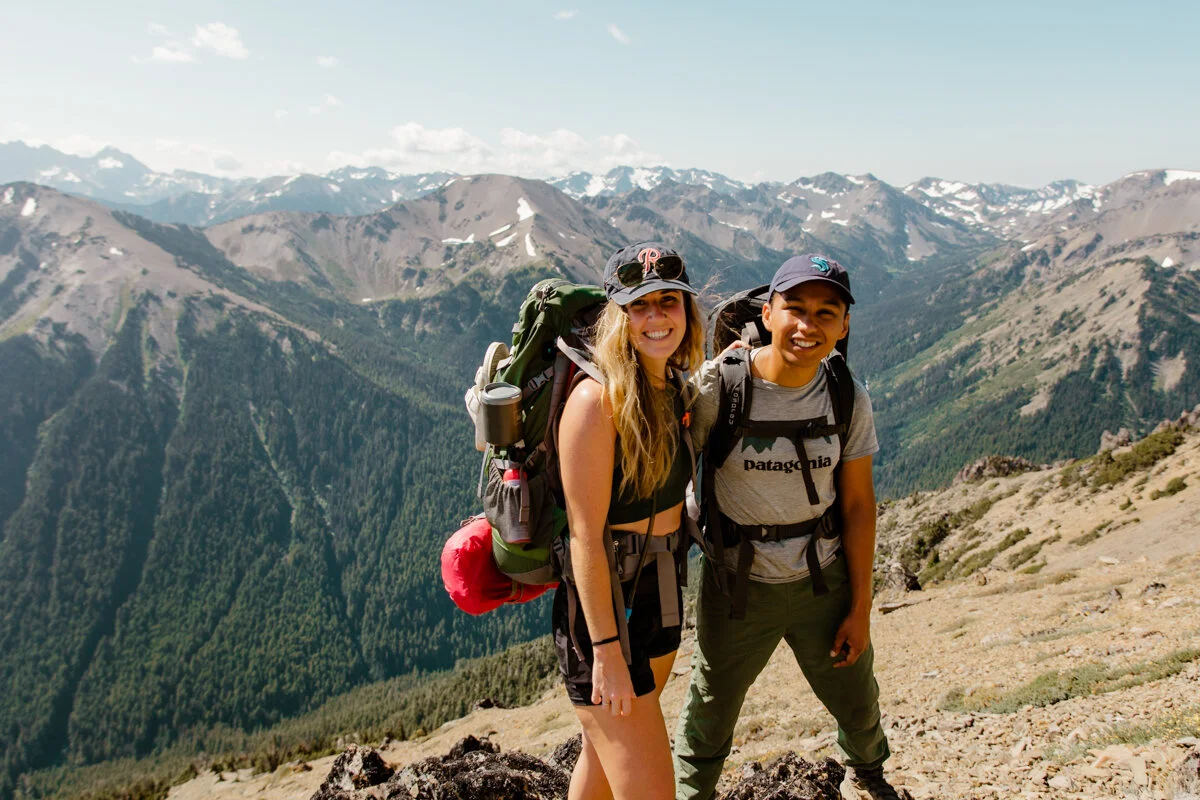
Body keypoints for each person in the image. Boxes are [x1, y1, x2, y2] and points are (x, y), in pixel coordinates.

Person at [674, 254, 904, 800]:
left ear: (844, 325)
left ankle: (871, 776)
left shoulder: (847, 398)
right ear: (769, 312)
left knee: (857, 701)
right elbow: (669, 470)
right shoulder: (719, 387)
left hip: (823, 583)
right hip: (736, 586)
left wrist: (861, 609)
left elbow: (856, 507)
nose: (809, 325)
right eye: (794, 308)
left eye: (827, 313)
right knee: (710, 709)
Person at [554, 242, 705, 800]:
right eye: (639, 305)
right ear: (618, 317)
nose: (655, 316)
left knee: (601, 765)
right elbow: (583, 538)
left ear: (687, 312)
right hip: (606, 609)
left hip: (661, 587)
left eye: (668, 301)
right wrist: (607, 652)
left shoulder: (671, 385)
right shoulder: (596, 403)